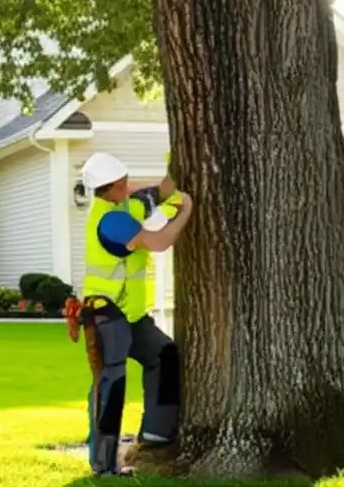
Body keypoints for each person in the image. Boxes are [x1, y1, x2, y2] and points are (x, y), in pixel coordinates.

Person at [77, 152, 193, 476]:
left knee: (165, 354)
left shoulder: (125, 205)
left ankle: (156, 433)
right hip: (105, 315)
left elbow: (158, 192)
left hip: (131, 315)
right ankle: (103, 466)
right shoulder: (109, 221)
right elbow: (158, 242)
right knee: (110, 384)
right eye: (123, 183)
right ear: (107, 189)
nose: (129, 185)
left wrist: (174, 174)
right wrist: (186, 213)